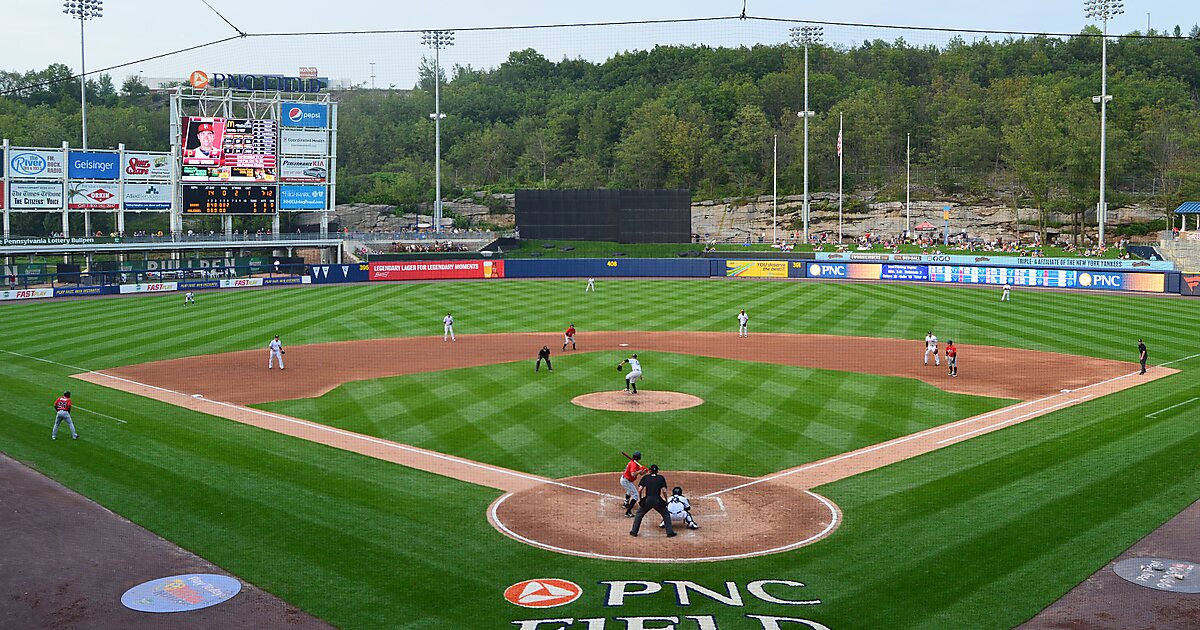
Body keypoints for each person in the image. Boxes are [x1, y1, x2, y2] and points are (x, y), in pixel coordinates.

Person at [630, 464, 676, 538]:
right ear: (657, 471)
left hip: (647, 500)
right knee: (666, 514)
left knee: (639, 514)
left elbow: (640, 489)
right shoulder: (661, 478)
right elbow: (664, 490)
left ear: (650, 471)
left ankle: (634, 532)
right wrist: (666, 500)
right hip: (657, 500)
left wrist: (641, 498)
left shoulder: (645, 477)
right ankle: (670, 532)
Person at [619, 451, 648, 517]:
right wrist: (641, 470)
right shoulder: (633, 464)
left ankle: (626, 503)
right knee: (635, 495)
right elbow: (633, 474)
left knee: (629, 491)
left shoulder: (636, 463)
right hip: (626, 481)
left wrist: (644, 471)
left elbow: (640, 474)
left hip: (626, 480)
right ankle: (628, 512)